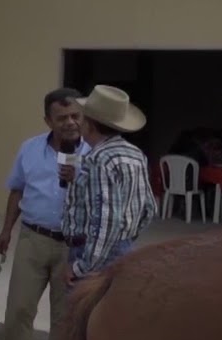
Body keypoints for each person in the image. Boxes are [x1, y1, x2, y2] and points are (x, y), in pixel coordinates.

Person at [0, 87, 88, 340]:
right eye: (62, 118)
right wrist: (7, 230)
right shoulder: (29, 149)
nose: (70, 123)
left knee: (64, 318)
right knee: (18, 309)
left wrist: (80, 179)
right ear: (48, 120)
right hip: (33, 238)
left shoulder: (93, 154)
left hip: (72, 246)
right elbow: (17, 190)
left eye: (75, 116)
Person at [62, 85, 157, 286]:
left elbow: (106, 220)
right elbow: (149, 208)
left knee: (86, 314)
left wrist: (83, 266)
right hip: (122, 247)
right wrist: (126, 238)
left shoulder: (99, 159)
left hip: (95, 254)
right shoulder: (135, 153)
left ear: (90, 123)